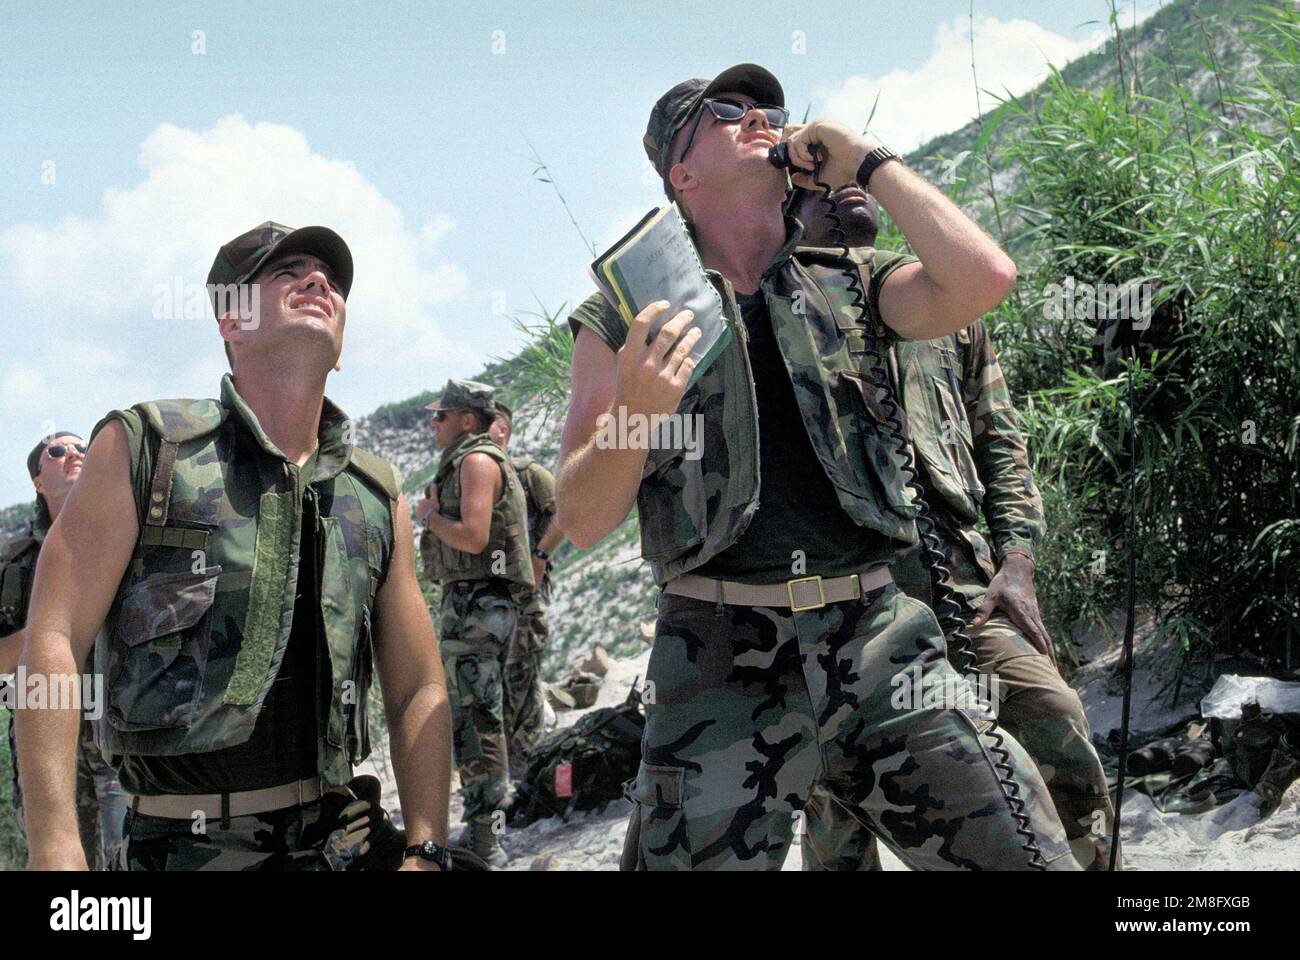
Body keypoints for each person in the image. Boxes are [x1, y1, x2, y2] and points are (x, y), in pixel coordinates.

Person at [558, 63, 1077, 870]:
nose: (761, 116)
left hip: (875, 635)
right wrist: (637, 408)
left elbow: (985, 279)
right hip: (717, 658)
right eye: (727, 110)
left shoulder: (854, 283)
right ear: (680, 172)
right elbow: (583, 518)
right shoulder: (626, 316)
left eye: (770, 106)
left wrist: (866, 160)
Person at [17, 222, 452, 871]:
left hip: (341, 842)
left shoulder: (373, 493)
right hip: (184, 851)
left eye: (331, 280)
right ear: (231, 321)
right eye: (286, 272)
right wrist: (54, 845)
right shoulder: (148, 449)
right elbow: (53, 635)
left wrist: (426, 846)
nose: (318, 283)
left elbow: (417, 683)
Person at [789, 184, 1117, 870]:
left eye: (855, 172)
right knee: (838, 809)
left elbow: (1000, 439)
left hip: (967, 590)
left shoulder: (945, 302)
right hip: (850, 615)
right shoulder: (781, 318)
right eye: (817, 180)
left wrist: (1017, 561)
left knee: (1052, 714)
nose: (846, 186)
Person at [416, 380, 532, 867]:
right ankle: (485, 827)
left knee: (476, 717)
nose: (433, 424)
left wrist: (428, 516)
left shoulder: (476, 462)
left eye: (441, 416)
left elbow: (472, 535)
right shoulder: (471, 459)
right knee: (475, 713)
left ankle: (488, 837)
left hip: (478, 604)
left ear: (467, 420)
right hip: (475, 601)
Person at [1, 433, 129, 870]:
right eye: (56, 451)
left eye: (81, 447)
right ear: (38, 482)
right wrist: (53, 627)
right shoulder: (12, 560)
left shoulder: (132, 539)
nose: (73, 453)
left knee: (129, 857)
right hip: (48, 740)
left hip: (122, 733)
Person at [489, 402, 565, 774]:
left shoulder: (529, 474)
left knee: (521, 677)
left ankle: (527, 769)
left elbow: (564, 513)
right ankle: (508, 769)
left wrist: (540, 555)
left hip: (523, 598)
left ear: (502, 430)